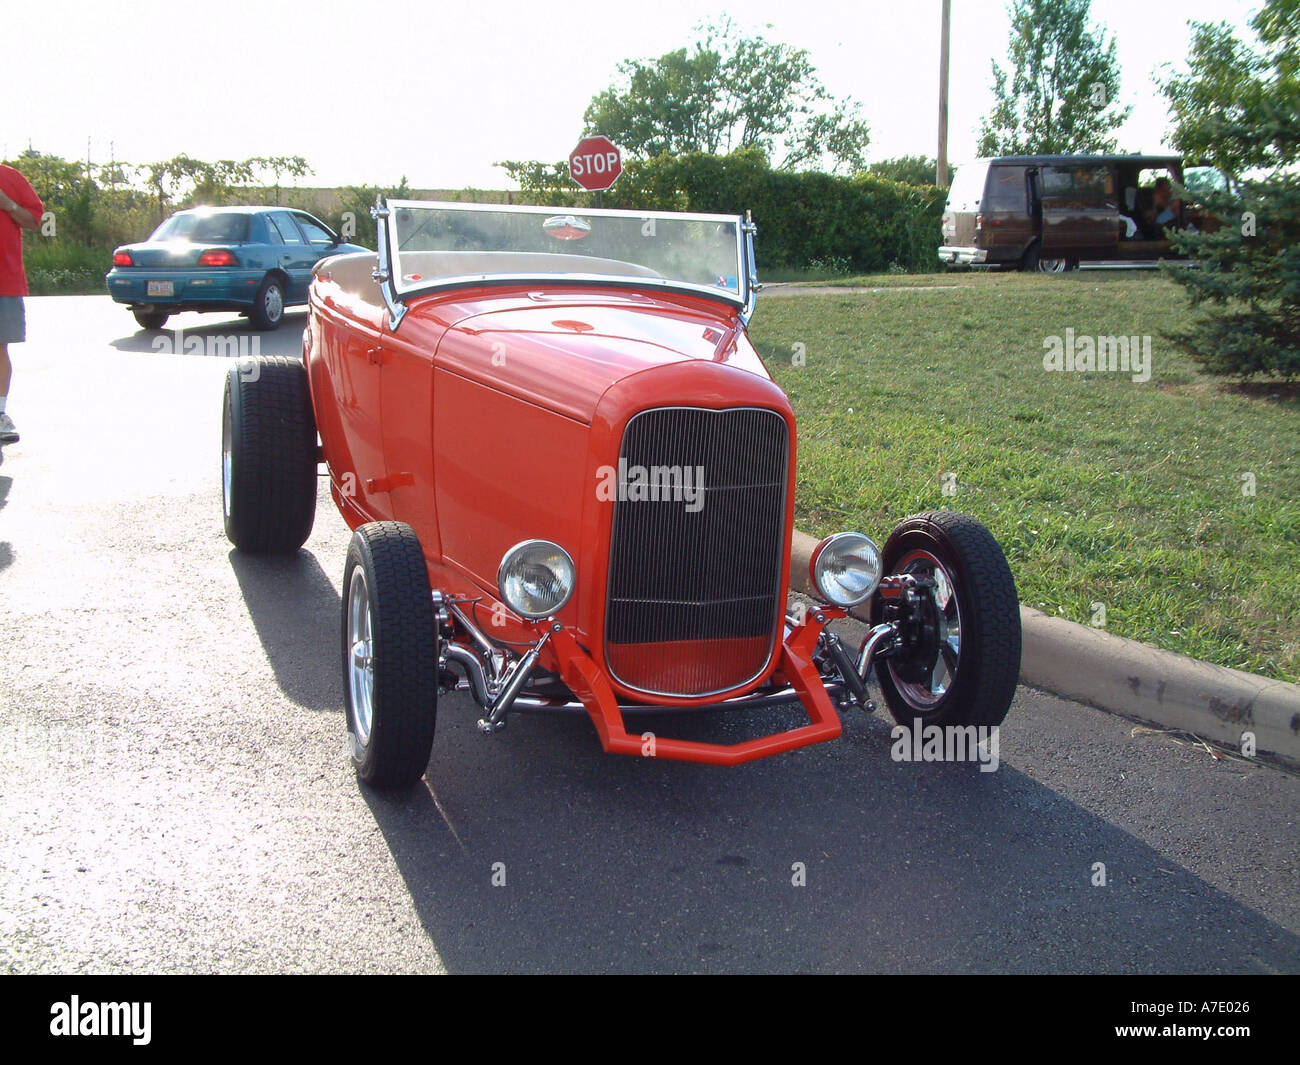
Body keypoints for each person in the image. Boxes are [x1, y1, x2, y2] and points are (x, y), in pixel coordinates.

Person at [0, 162, 44, 445]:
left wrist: (7, 204)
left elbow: (36, 221)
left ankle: (0, 414)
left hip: (4, 280)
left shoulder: (10, 177)